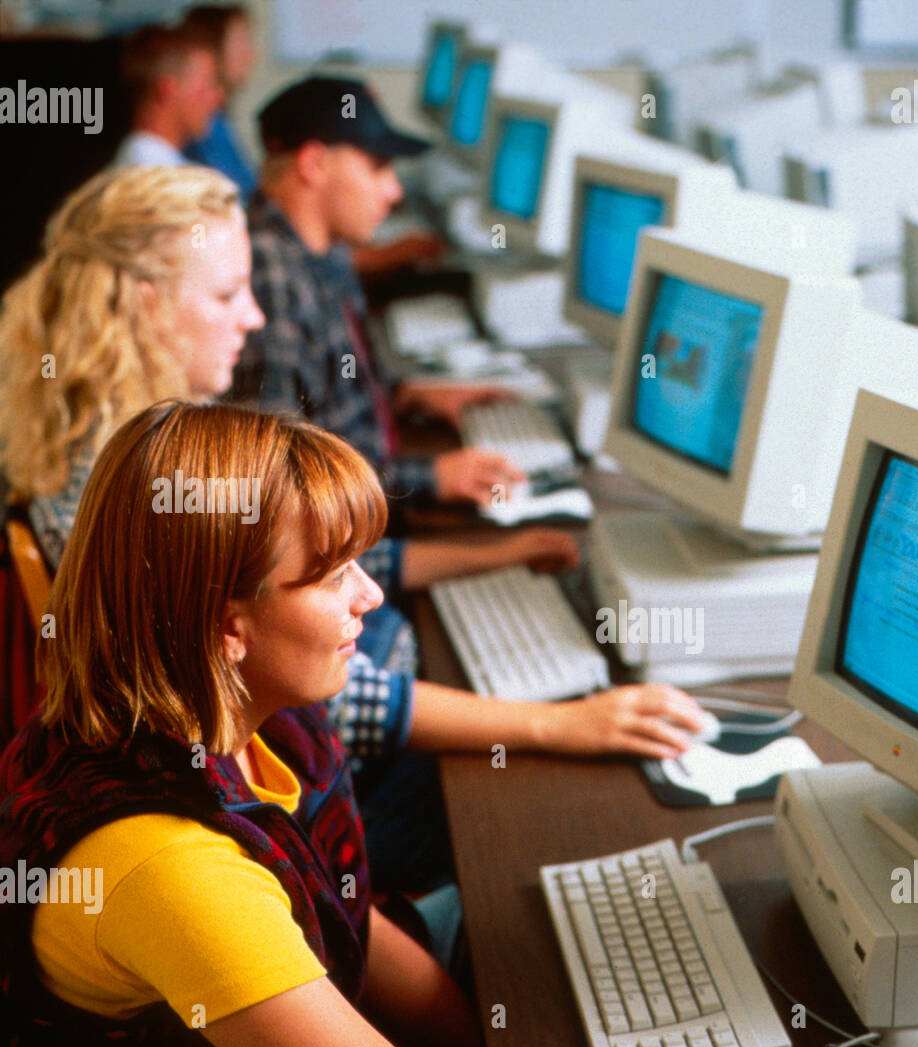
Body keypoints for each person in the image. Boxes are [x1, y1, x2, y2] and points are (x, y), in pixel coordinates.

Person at [0, 399, 918, 1047]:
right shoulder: (170, 865)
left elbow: (340, 920)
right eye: (331, 575)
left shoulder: (224, 710)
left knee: (559, 942)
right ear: (226, 624)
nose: (369, 597)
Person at [0, 166, 708, 889]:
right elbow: (338, 695)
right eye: (225, 295)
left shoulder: (113, 437)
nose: (254, 316)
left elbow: (304, 567)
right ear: (144, 305)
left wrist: (489, 557)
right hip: (283, 799)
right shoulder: (139, 484)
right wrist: (557, 724)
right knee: (527, 824)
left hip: (269, 761)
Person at [228, 75, 524, 514]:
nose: (394, 191)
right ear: (314, 164)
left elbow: (322, 393)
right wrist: (433, 478)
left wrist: (405, 395)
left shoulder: (321, 250)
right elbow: (284, 485)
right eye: (378, 166)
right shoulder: (269, 277)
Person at [113, 21, 225, 169]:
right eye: (208, 84)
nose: (219, 97)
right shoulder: (158, 179)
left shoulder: (140, 163)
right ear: (167, 90)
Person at [181, 4, 260, 202]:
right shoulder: (204, 127)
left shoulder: (220, 122)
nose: (251, 54)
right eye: (241, 42)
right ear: (211, 50)